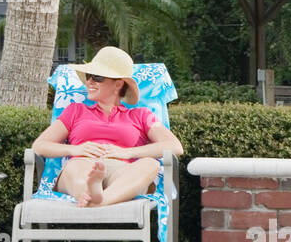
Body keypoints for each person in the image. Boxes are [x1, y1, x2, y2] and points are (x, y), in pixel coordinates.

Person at [31, 46, 183, 207]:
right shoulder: (75, 110)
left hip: (122, 171)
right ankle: (91, 192)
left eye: (96, 77)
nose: (89, 82)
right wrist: (75, 150)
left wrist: (127, 152)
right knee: (76, 167)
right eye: (89, 76)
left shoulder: (141, 115)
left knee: (150, 165)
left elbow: (175, 147)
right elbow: (39, 146)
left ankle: (97, 199)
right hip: (82, 164)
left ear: (118, 84)